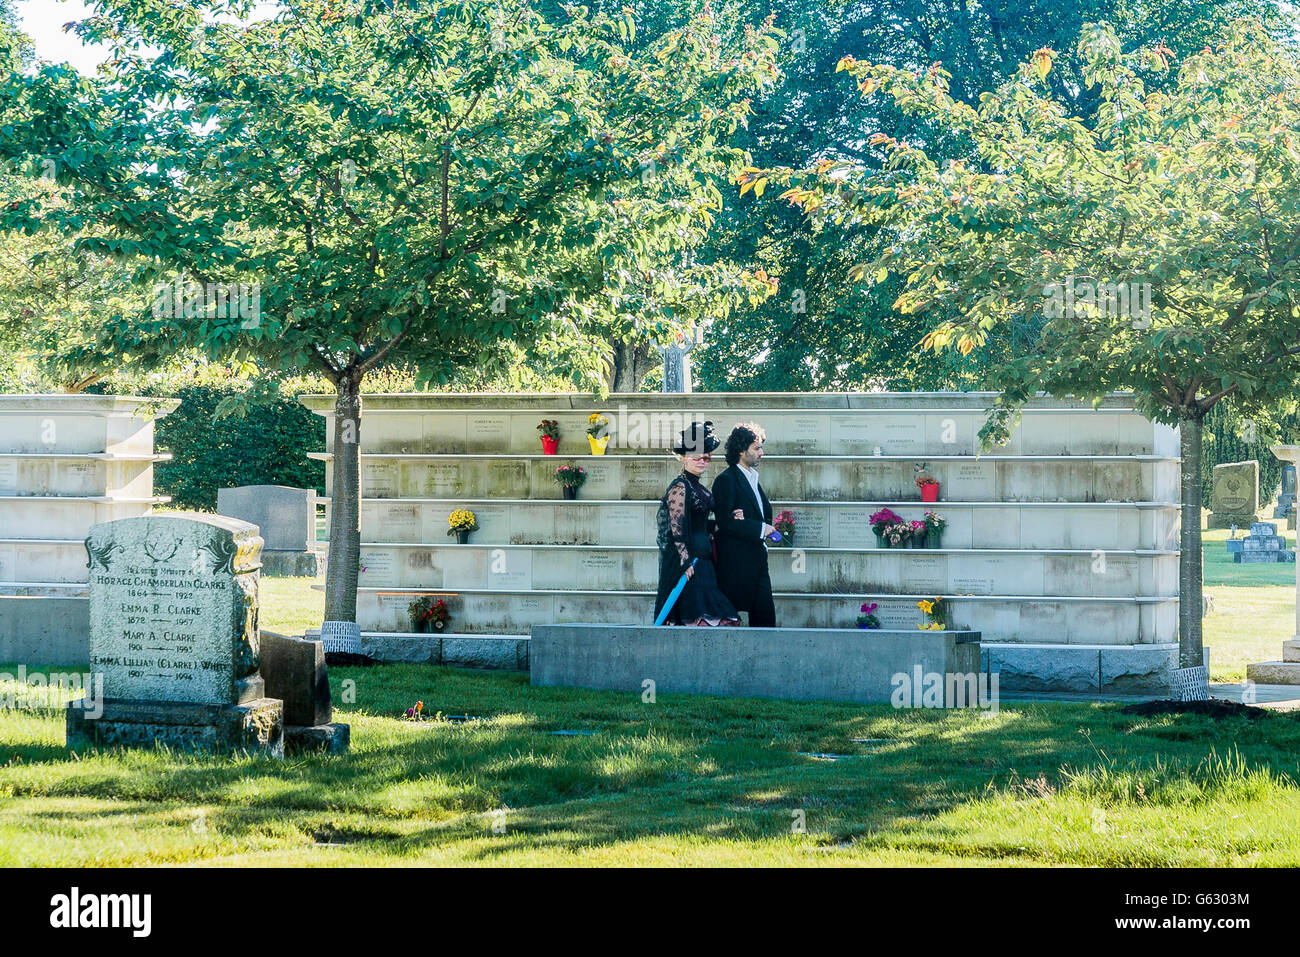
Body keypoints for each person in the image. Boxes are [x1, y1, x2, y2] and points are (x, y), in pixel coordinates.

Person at [653, 421, 741, 627]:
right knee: (698, 619)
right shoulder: (680, 487)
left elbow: (699, 523)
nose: (703, 461)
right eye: (697, 457)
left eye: (707, 458)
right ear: (683, 457)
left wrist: (728, 519)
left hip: (703, 561)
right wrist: (684, 563)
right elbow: (677, 528)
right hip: (689, 563)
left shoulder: (697, 486)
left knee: (719, 618)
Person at [712, 422, 777, 627]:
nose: (761, 452)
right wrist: (760, 529)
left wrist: (753, 523)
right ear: (741, 450)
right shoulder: (726, 480)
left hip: (757, 560)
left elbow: (756, 513)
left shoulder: (752, 478)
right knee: (732, 623)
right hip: (736, 565)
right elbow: (725, 521)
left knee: (765, 621)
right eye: (756, 448)